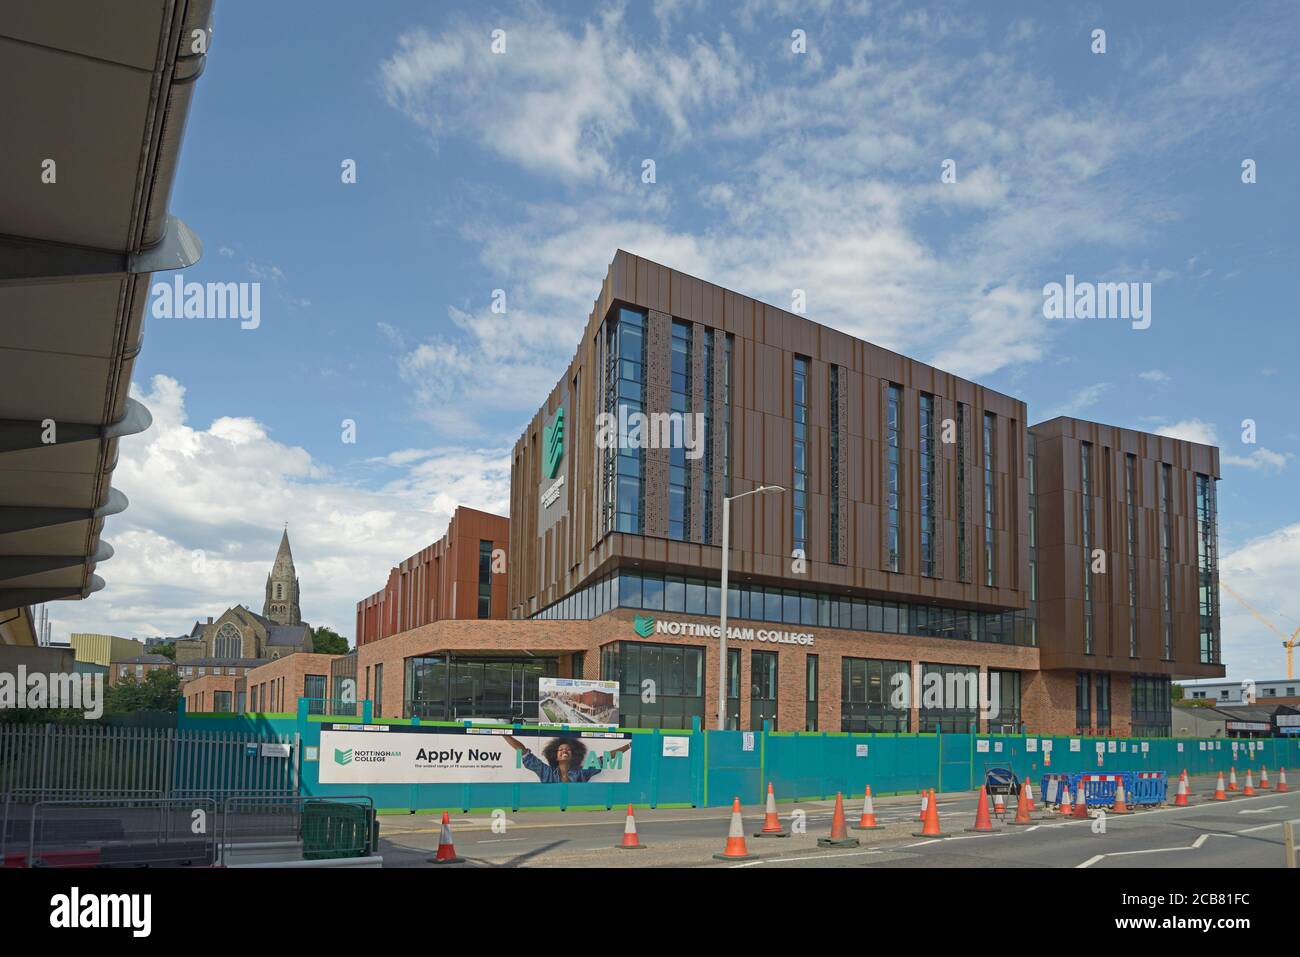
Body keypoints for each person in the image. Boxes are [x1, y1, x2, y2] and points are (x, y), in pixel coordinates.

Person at [502, 734, 631, 783]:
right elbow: (524, 752)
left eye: (568, 749)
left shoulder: (582, 772)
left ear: (573, 755)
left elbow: (607, 758)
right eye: (561, 749)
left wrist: (629, 745)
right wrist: (503, 733)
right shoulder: (546, 772)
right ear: (555, 755)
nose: (564, 750)